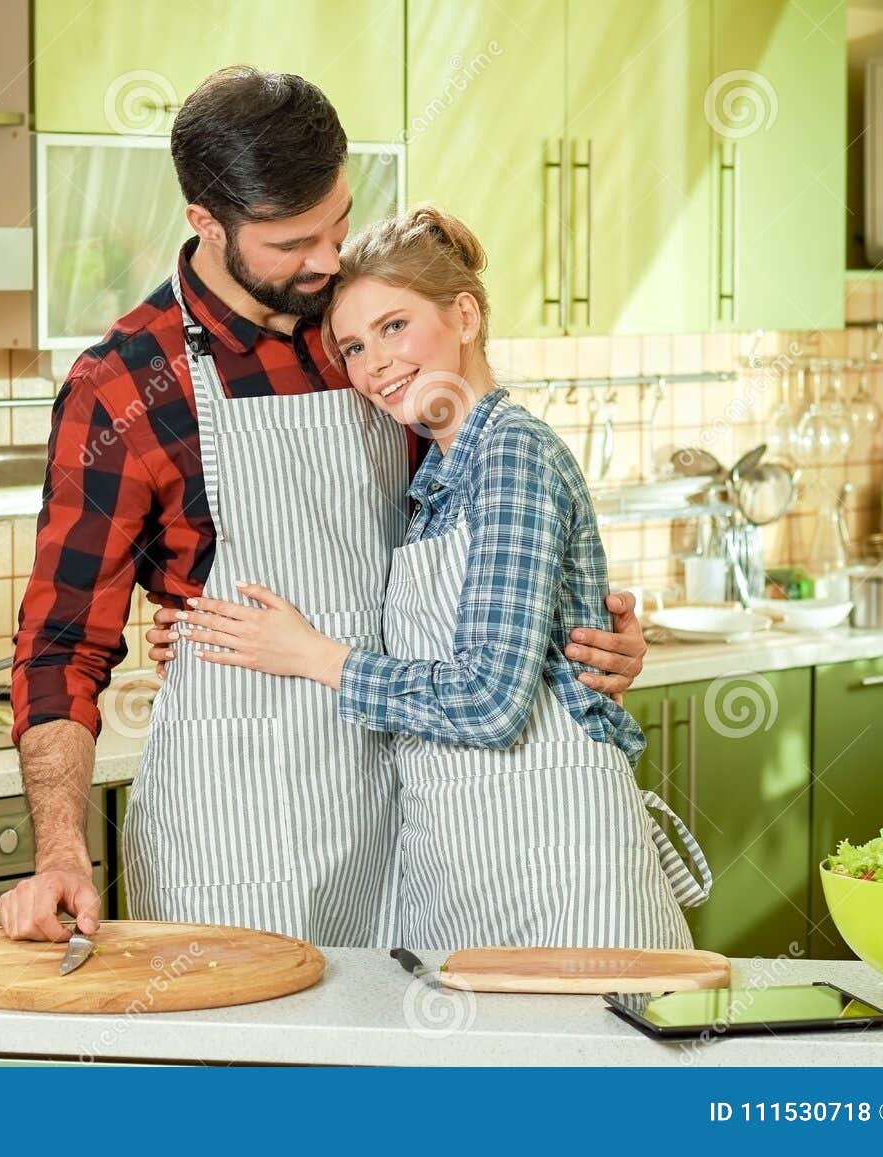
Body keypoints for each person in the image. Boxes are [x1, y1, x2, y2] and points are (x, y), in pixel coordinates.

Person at [0, 67, 648, 947]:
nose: (324, 260)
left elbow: (481, 522)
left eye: (337, 222)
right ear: (205, 223)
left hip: (419, 819)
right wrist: (62, 852)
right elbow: (63, 645)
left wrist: (584, 627)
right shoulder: (124, 384)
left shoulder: (368, 326)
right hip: (236, 831)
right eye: (291, 242)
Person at [153, 206, 711, 951]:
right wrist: (193, 630)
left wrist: (312, 654)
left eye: (395, 326)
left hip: (558, 862)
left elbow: (489, 702)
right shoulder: (437, 472)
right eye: (352, 345)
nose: (374, 363)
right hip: (467, 860)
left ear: (466, 315)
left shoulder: (511, 456)